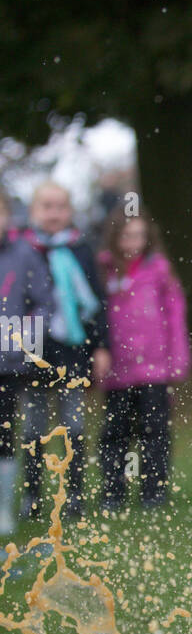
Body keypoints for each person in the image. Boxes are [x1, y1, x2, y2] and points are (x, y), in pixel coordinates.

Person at [16, 182, 111, 519]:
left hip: (73, 348)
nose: (53, 214)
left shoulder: (81, 250)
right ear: (33, 212)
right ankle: (32, 497)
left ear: (70, 212)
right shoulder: (20, 250)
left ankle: (74, 496)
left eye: (60, 207)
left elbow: (96, 302)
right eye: (46, 206)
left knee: (74, 426)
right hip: (33, 348)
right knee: (33, 428)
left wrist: (101, 346)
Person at [97, 205, 191, 511]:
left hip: (154, 367)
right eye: (126, 235)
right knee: (116, 433)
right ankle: (114, 491)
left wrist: (177, 361)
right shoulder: (104, 270)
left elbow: (176, 318)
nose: (133, 242)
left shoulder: (159, 270)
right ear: (115, 237)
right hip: (117, 368)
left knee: (155, 431)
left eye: (139, 235)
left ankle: (153, 491)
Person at [0, 191, 53, 537]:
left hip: (8, 365)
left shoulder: (25, 256)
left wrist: (22, 348)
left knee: (4, 437)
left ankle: (3, 510)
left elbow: (45, 304)